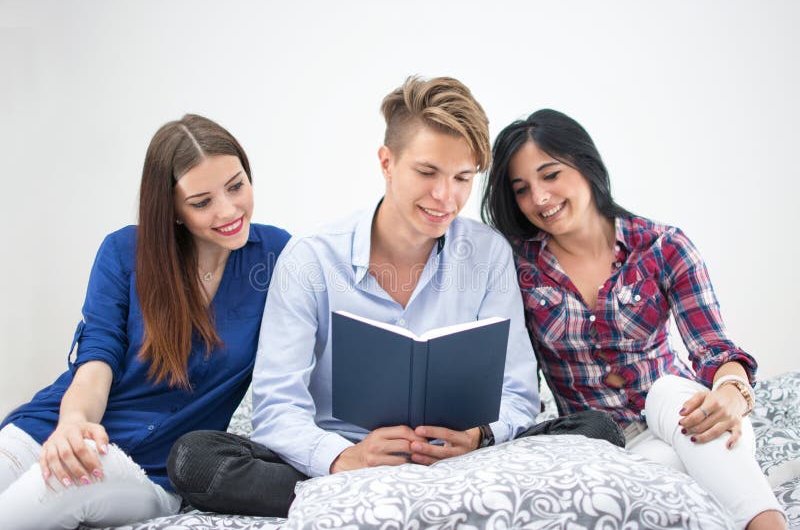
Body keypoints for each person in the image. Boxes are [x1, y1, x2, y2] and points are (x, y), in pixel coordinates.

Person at [168, 77, 623, 517]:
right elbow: (277, 405)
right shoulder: (310, 257)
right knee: (195, 457)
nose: (446, 196)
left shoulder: (487, 253)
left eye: (463, 178)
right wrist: (342, 458)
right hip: (345, 454)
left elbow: (519, 393)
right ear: (386, 162)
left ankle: (355, 498)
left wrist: (480, 435)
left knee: (597, 430)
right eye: (427, 172)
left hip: (464, 456)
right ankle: (371, 491)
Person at [481, 108, 785, 529]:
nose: (539, 198)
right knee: (663, 471)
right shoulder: (517, 267)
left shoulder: (663, 246)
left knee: (670, 397)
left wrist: (732, 392)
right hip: (608, 446)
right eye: (522, 189)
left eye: (550, 175)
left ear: (585, 164)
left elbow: (712, 348)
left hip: (686, 415)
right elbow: (507, 370)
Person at [0, 114, 290, 529]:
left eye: (236, 186)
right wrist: (73, 425)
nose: (229, 210)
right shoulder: (123, 252)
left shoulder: (277, 256)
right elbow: (96, 359)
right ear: (171, 208)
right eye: (202, 202)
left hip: (150, 471)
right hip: (52, 426)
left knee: (63, 485)